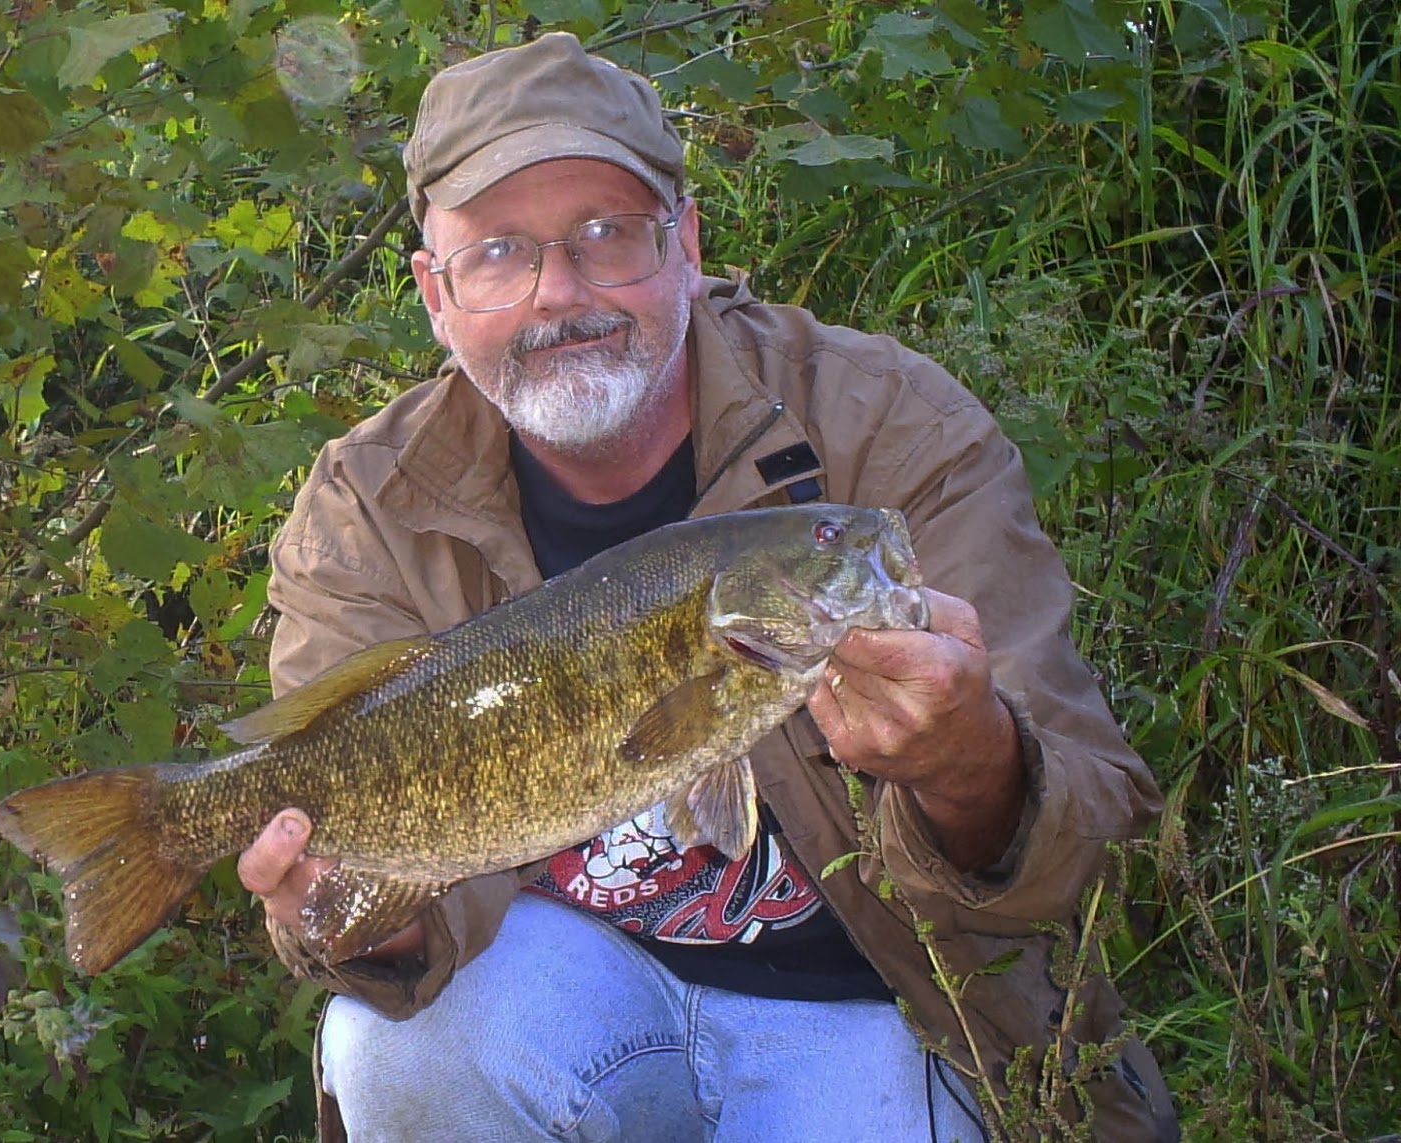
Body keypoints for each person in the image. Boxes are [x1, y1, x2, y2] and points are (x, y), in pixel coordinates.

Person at [236, 31, 1178, 1143]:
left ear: (684, 242)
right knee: (386, 1051)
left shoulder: (891, 427)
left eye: (606, 232)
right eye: (497, 252)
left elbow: (1100, 831)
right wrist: (344, 914)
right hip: (569, 996)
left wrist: (973, 765)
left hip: (884, 1016)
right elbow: (376, 917)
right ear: (435, 296)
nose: (559, 293)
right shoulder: (367, 506)